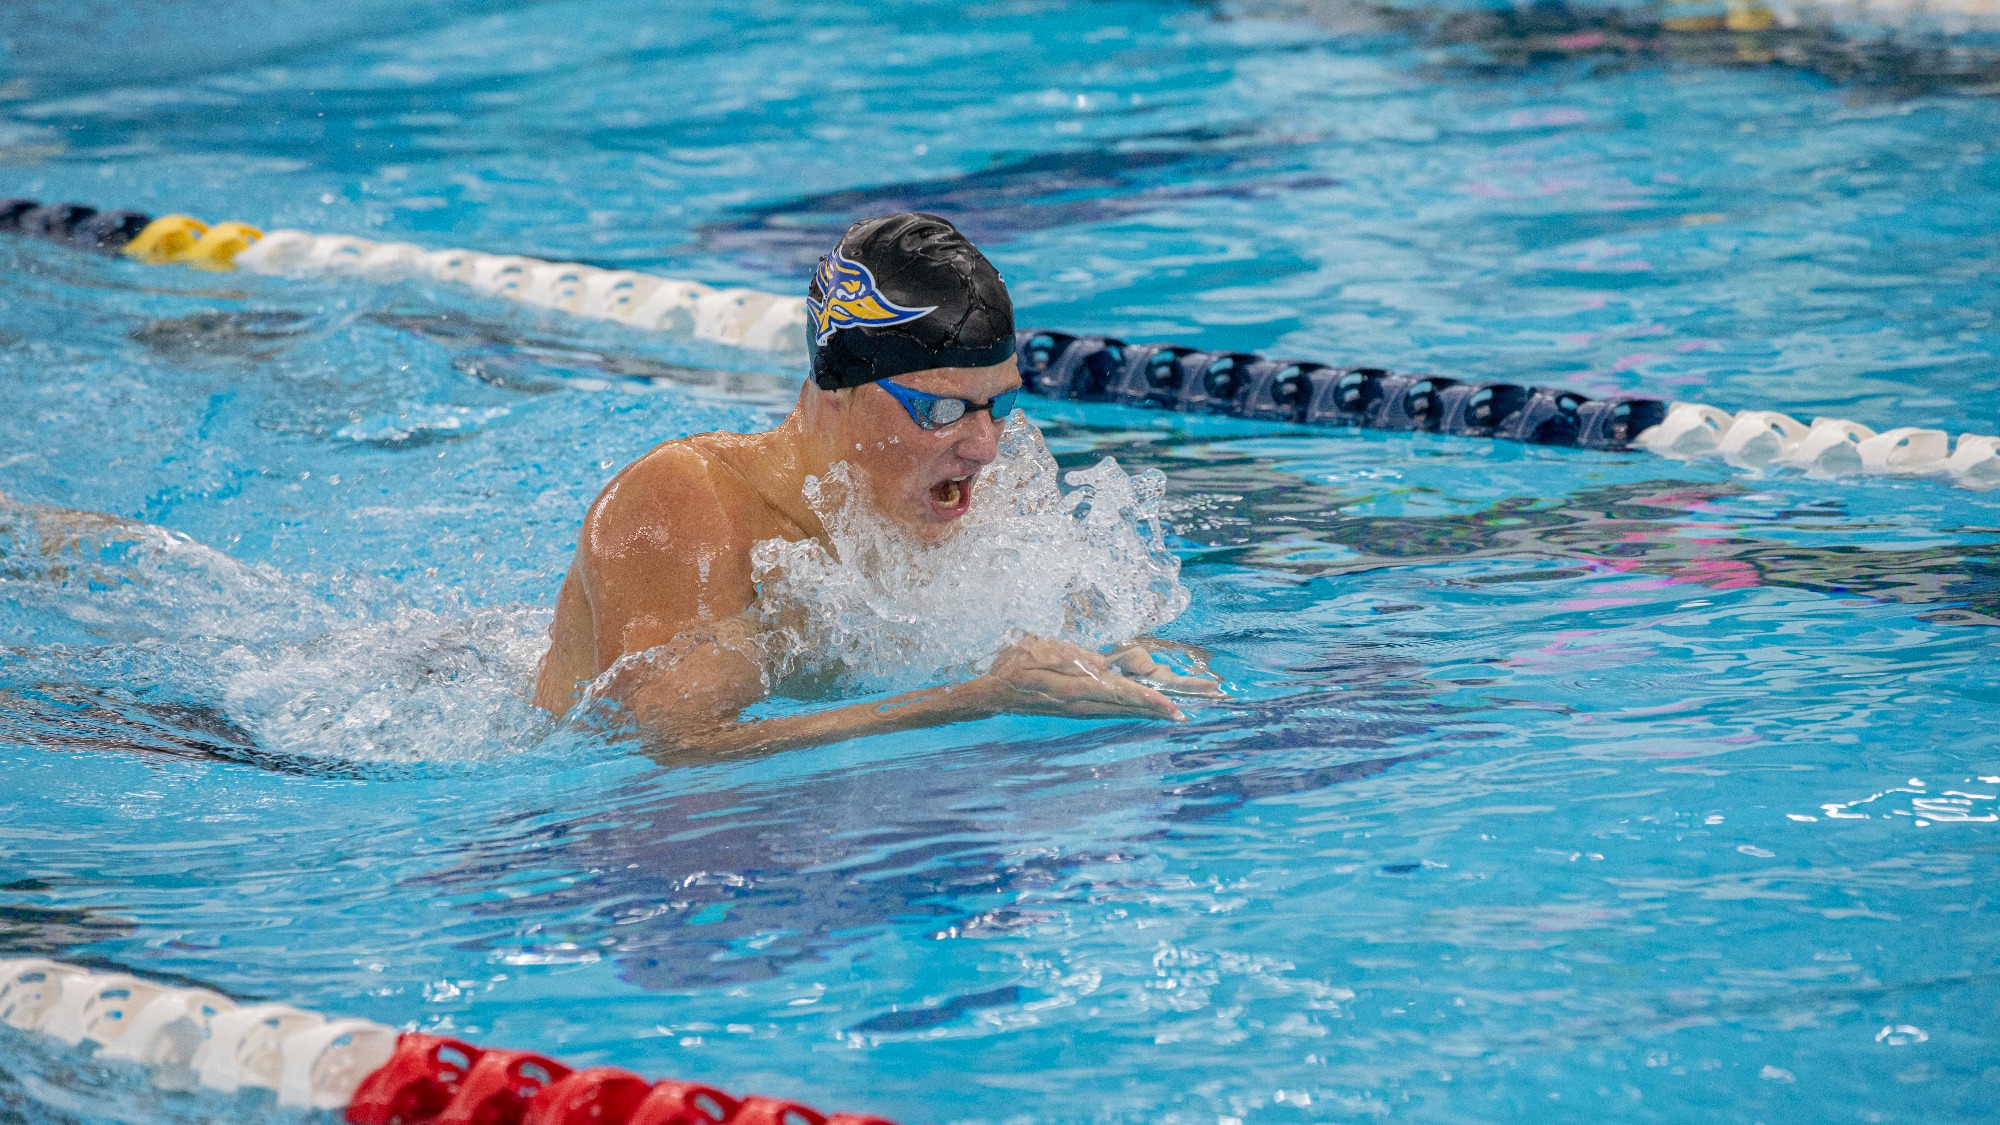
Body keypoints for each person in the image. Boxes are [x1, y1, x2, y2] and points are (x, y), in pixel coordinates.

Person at [533, 212, 1220, 755]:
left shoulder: (960, 489)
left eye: (1000, 404)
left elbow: (1053, 646)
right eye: (941, 409)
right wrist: (978, 699)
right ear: (838, 391)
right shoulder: (687, 506)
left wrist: (1120, 657)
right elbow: (675, 748)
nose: (984, 446)